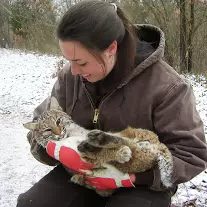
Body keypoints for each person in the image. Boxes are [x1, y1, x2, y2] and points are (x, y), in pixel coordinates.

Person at [17, 1, 207, 207]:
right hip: (81, 173)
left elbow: (191, 154)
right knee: (32, 203)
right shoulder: (69, 78)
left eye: (81, 62)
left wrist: (130, 178)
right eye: (68, 60)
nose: (72, 71)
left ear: (111, 49)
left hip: (140, 182)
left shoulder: (169, 87)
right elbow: (39, 125)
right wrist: (54, 148)